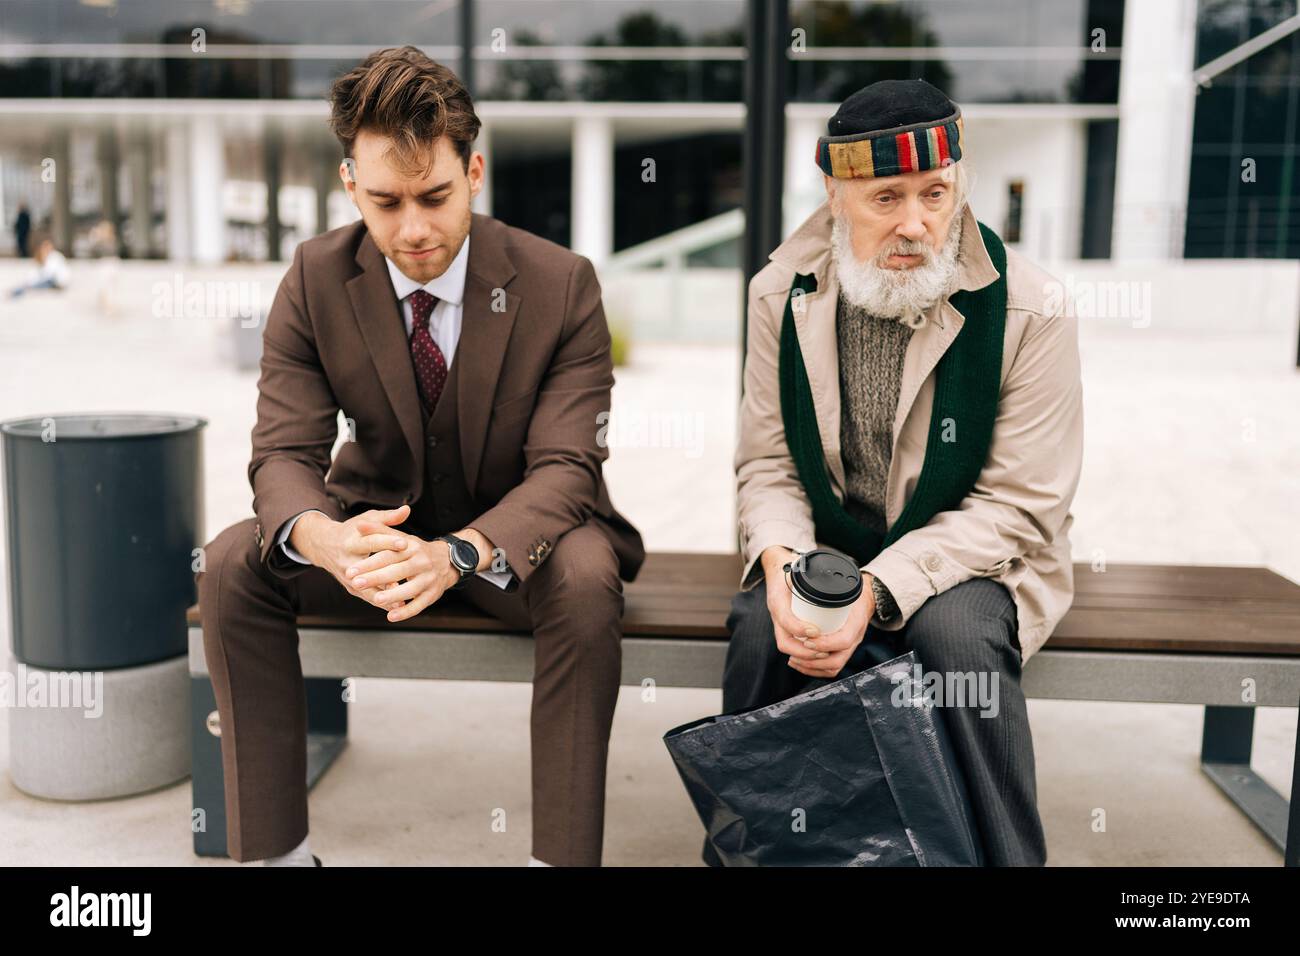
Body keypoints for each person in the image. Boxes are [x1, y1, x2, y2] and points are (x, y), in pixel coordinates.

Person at [195, 45, 644, 867]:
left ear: (475, 171)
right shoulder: (314, 276)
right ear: (347, 186)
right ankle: (274, 856)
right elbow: (282, 452)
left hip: (513, 553)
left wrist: (459, 555)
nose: (412, 229)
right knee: (231, 562)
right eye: (384, 200)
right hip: (372, 549)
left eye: (435, 196)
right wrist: (326, 540)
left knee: (586, 575)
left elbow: (568, 470)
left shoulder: (561, 284)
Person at [722, 78, 1084, 866]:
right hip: (826, 545)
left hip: (975, 559)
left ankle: (1001, 854)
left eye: (936, 193)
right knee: (762, 626)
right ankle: (766, 853)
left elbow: (1021, 506)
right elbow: (770, 464)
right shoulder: (776, 295)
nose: (916, 223)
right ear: (835, 193)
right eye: (886, 198)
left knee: (955, 638)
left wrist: (876, 592)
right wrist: (785, 565)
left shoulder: (1034, 308)